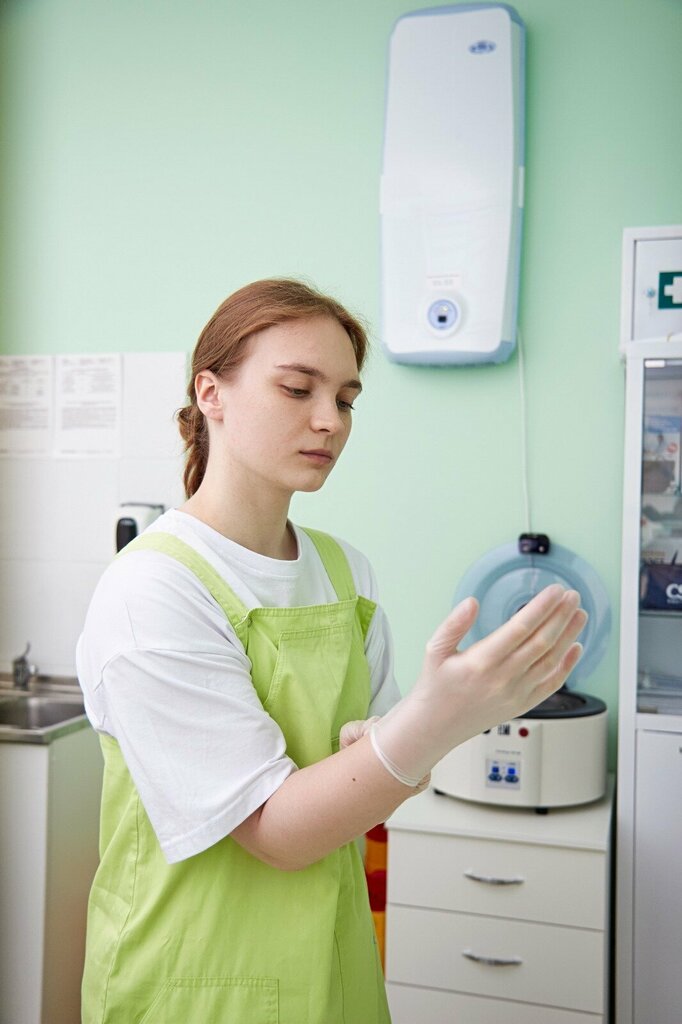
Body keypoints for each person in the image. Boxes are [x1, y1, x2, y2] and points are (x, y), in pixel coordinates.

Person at [76, 278, 587, 1024]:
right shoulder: (153, 589)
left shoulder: (346, 572)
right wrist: (435, 721)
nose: (330, 421)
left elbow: (381, 775)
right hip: (197, 978)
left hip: (333, 967)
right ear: (210, 394)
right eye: (297, 389)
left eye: (346, 400)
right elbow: (277, 834)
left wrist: (394, 741)